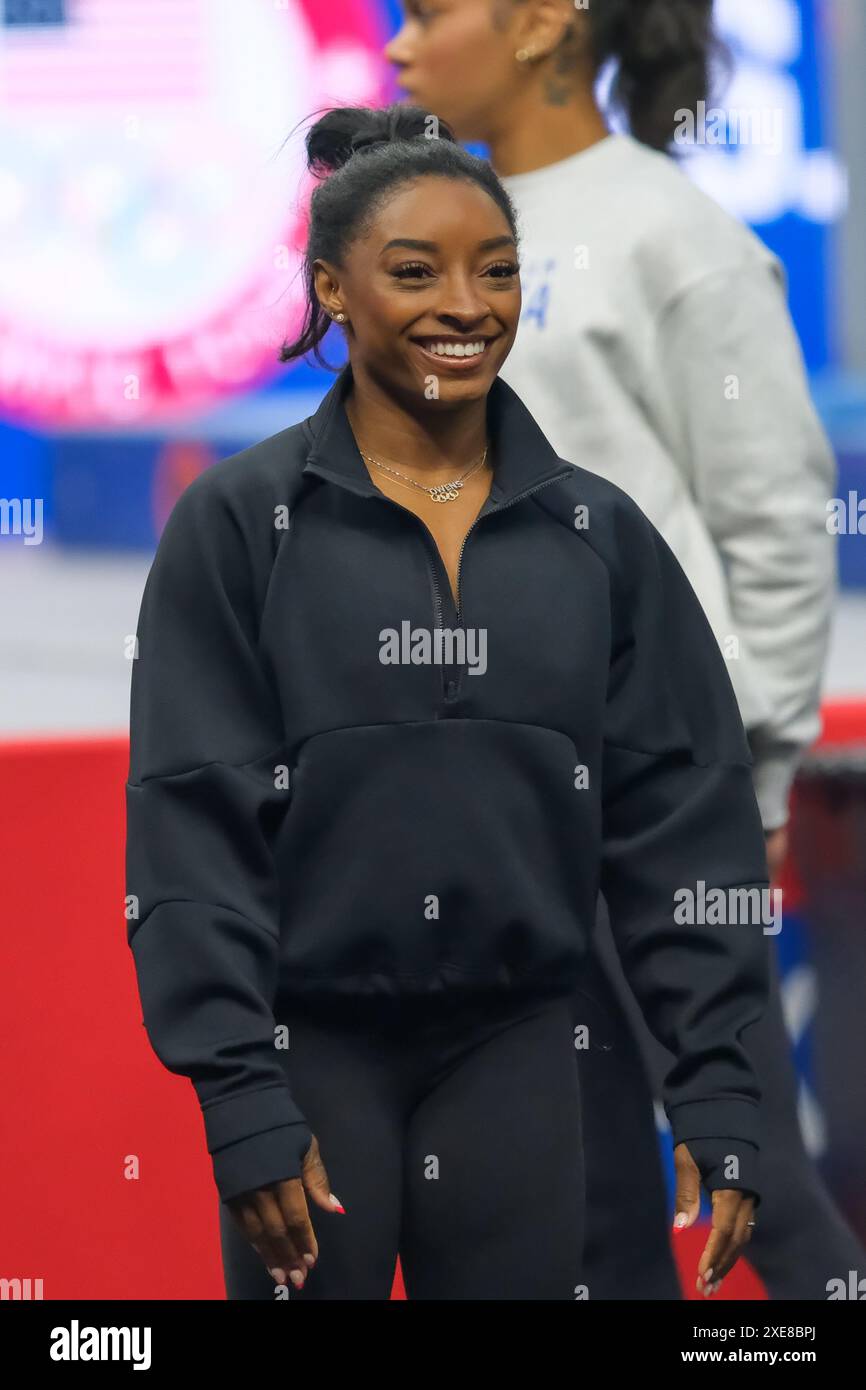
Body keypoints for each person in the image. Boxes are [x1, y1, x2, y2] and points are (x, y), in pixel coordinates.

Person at [124, 102, 772, 1301]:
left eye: (497, 270)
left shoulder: (599, 538)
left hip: (523, 1048)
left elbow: (684, 822)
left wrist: (719, 1084)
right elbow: (188, 824)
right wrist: (241, 1096)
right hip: (305, 1052)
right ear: (329, 288)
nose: (464, 305)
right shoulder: (237, 526)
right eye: (412, 271)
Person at [384, 0, 865, 1299]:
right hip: (482, 806)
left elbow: (770, 522)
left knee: (752, 1176)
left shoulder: (669, 235)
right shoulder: (424, 232)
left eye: (429, 14)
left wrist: (747, 783)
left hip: (652, 799)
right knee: (577, 1206)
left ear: (544, 24)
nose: (397, 45)